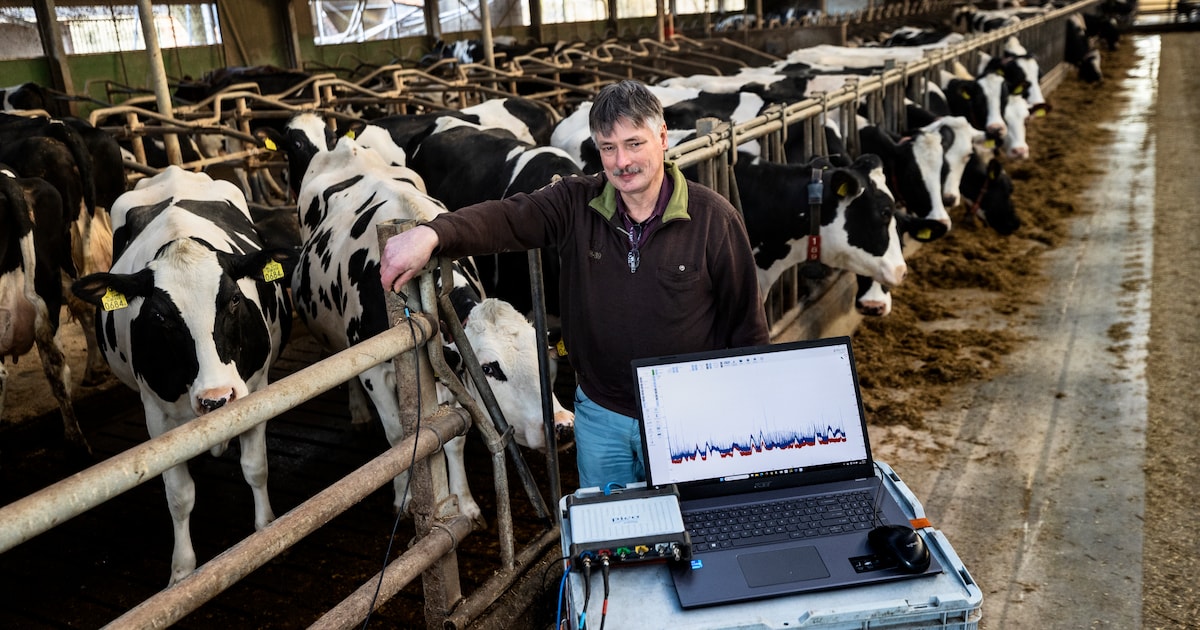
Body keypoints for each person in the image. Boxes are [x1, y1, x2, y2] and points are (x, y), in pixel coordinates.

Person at [380, 80, 769, 489]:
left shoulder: (713, 219)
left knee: (692, 528)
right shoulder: (575, 203)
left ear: (662, 137)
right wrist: (433, 234)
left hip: (686, 415)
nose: (622, 161)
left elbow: (748, 328)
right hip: (602, 416)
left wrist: (751, 422)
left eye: (634, 143)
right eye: (608, 148)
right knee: (615, 539)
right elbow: (508, 217)